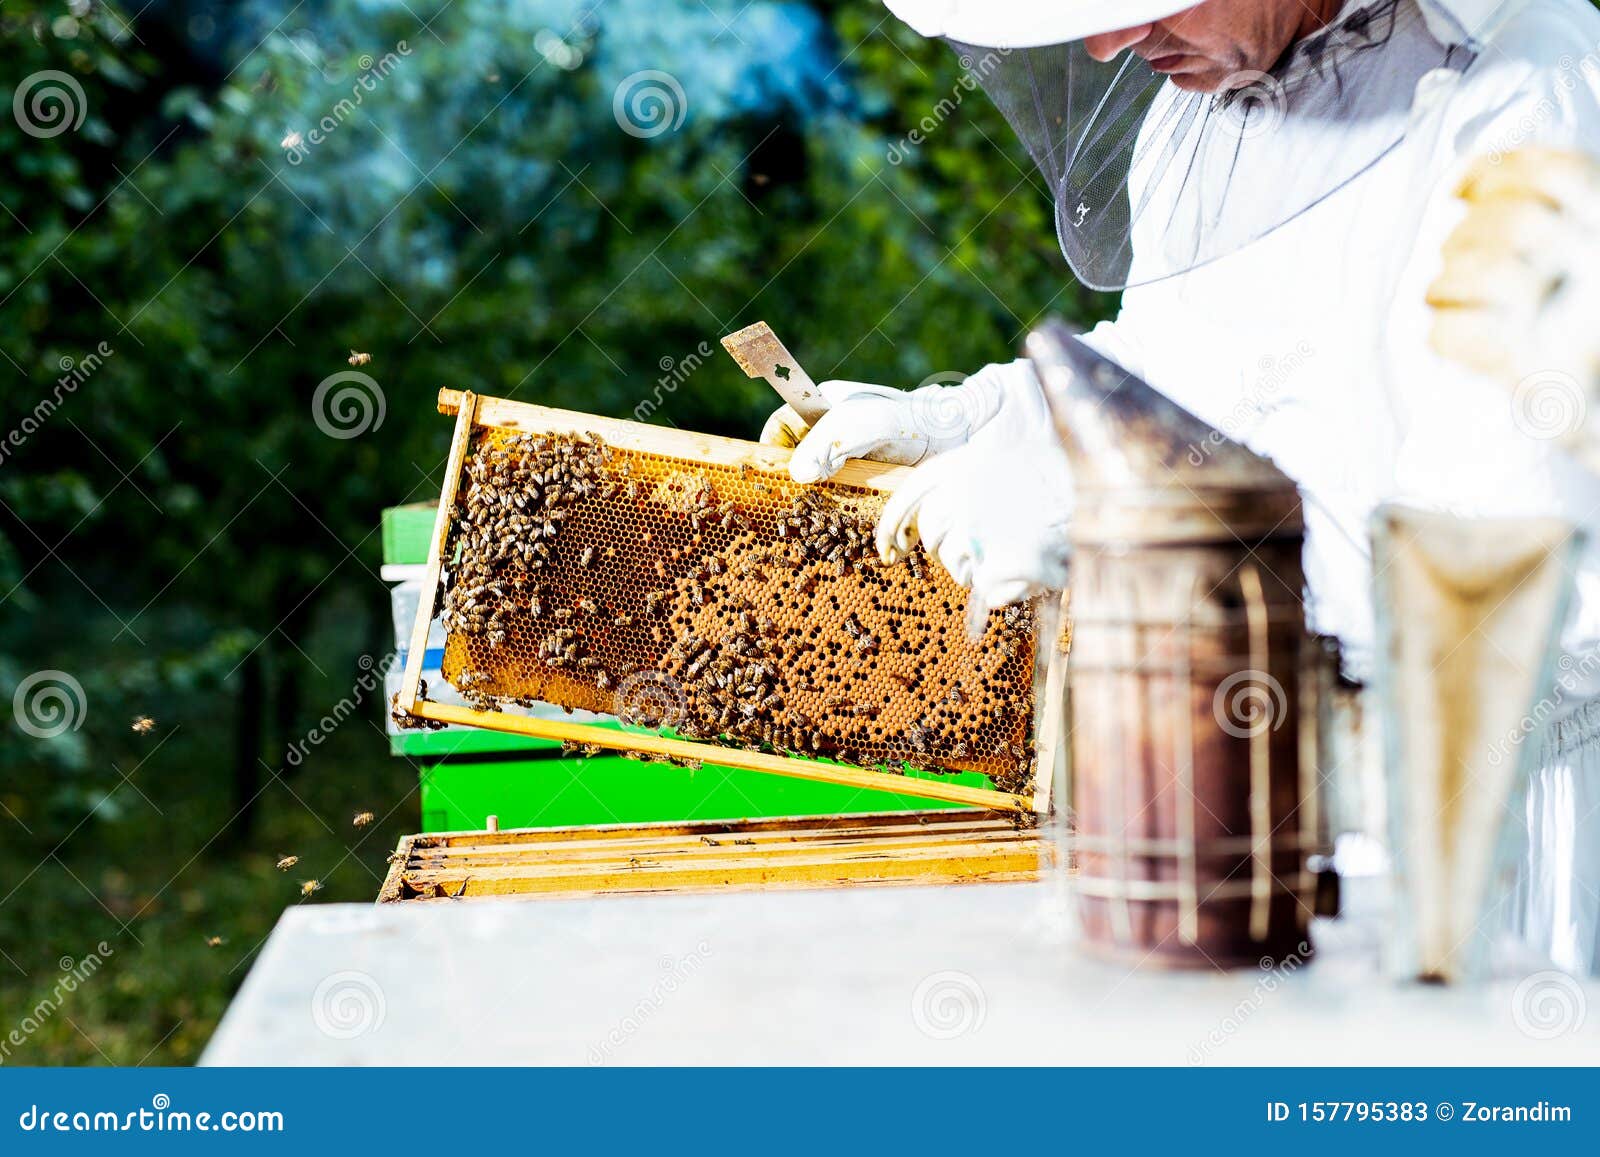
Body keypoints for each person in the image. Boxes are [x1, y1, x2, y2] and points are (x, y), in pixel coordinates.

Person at [763, 0, 1600, 974]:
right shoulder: (1204, 95)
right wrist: (992, 414)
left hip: (1469, 827)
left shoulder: (1531, 91)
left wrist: (1138, 540)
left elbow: (1530, 593)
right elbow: (1179, 377)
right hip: (1237, 779)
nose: (1107, 43)